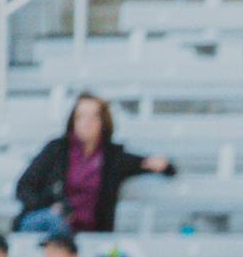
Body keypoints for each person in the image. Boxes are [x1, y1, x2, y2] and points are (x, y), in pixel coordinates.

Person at [12, 92, 175, 238]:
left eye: (93, 116)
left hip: (88, 232)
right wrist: (51, 207)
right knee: (55, 222)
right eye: (80, 116)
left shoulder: (113, 158)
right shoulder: (56, 150)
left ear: (103, 121)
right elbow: (23, 187)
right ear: (73, 121)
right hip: (48, 227)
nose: (86, 122)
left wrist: (163, 165)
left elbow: (157, 166)